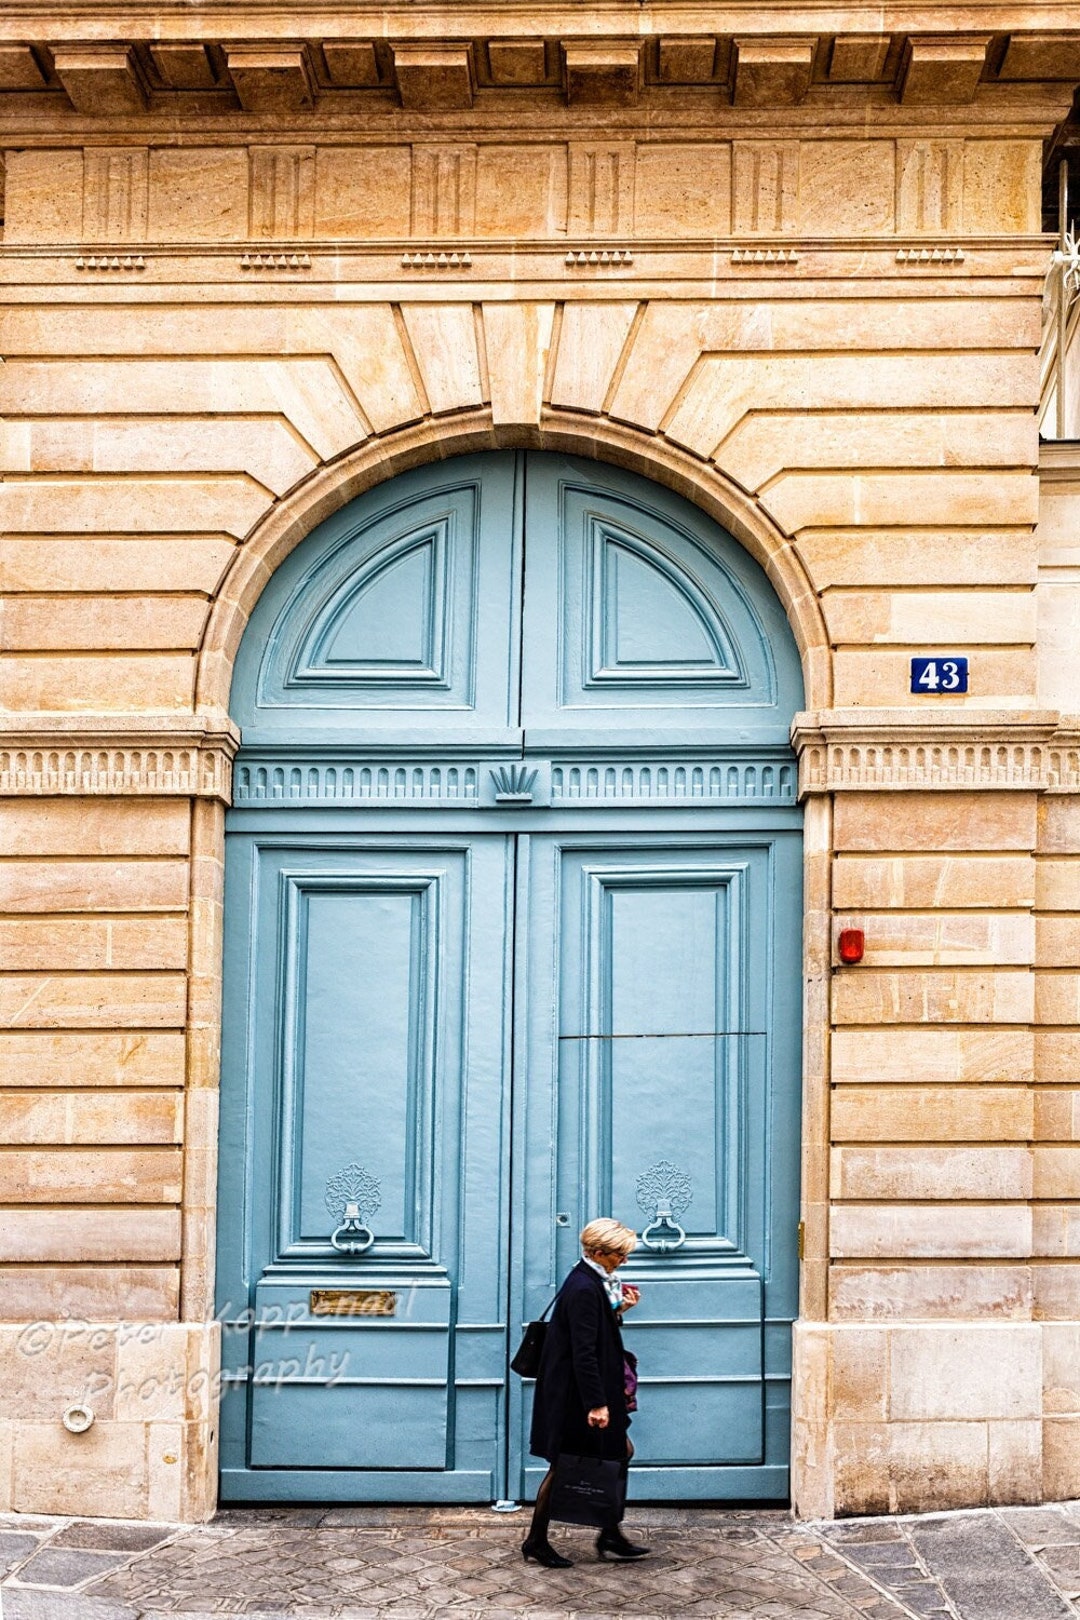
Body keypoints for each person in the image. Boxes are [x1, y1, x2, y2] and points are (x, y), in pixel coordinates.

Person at [523, 1217, 649, 1568]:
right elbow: (584, 1351)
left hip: (585, 1391)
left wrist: (619, 1310)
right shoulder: (583, 1287)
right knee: (565, 1464)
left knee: (617, 1452)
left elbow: (593, 1333)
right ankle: (537, 1540)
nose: (623, 1260)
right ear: (598, 1252)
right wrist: (596, 1404)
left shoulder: (592, 1281)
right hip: (577, 1397)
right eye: (618, 1255)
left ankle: (609, 1533)